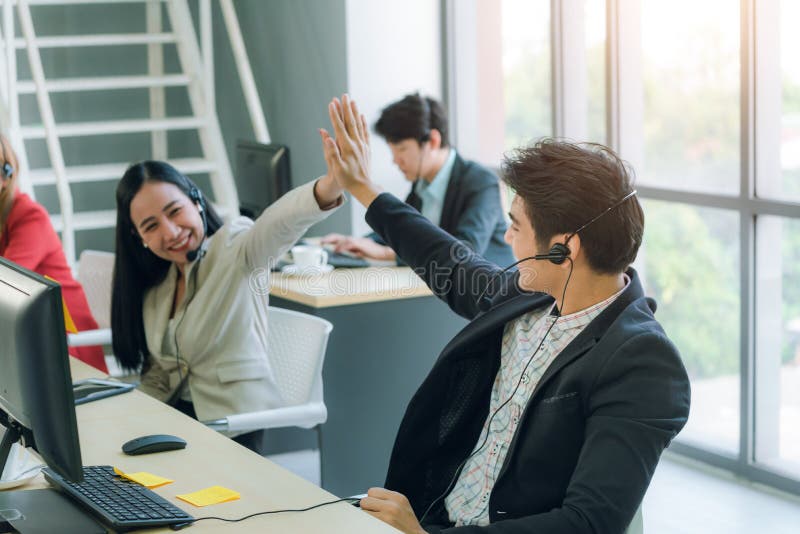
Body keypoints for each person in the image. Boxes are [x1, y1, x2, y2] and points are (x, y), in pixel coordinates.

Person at [320, 95, 691, 533]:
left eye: (516, 226)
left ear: (563, 249)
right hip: (432, 517)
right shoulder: (528, 298)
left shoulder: (642, 362)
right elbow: (449, 260)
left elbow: (589, 523)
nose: (507, 238)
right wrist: (363, 188)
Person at [111, 159, 343, 451]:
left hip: (230, 426)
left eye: (175, 211)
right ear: (139, 237)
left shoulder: (234, 247)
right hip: (177, 421)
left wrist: (327, 188)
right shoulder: (160, 283)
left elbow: (277, 225)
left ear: (196, 202)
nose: (170, 232)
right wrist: (125, 418)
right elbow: (161, 371)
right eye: (151, 226)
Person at [322, 93, 513, 266]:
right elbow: (404, 230)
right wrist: (357, 242)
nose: (395, 160)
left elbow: (465, 252)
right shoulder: (422, 182)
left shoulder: (482, 182)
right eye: (392, 150)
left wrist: (386, 253)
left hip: (492, 296)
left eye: (402, 149)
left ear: (432, 141)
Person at [0, 134, 107, 372]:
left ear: (6, 175)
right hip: (25, 334)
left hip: (62, 339)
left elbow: (6, 282)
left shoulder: (30, 217)